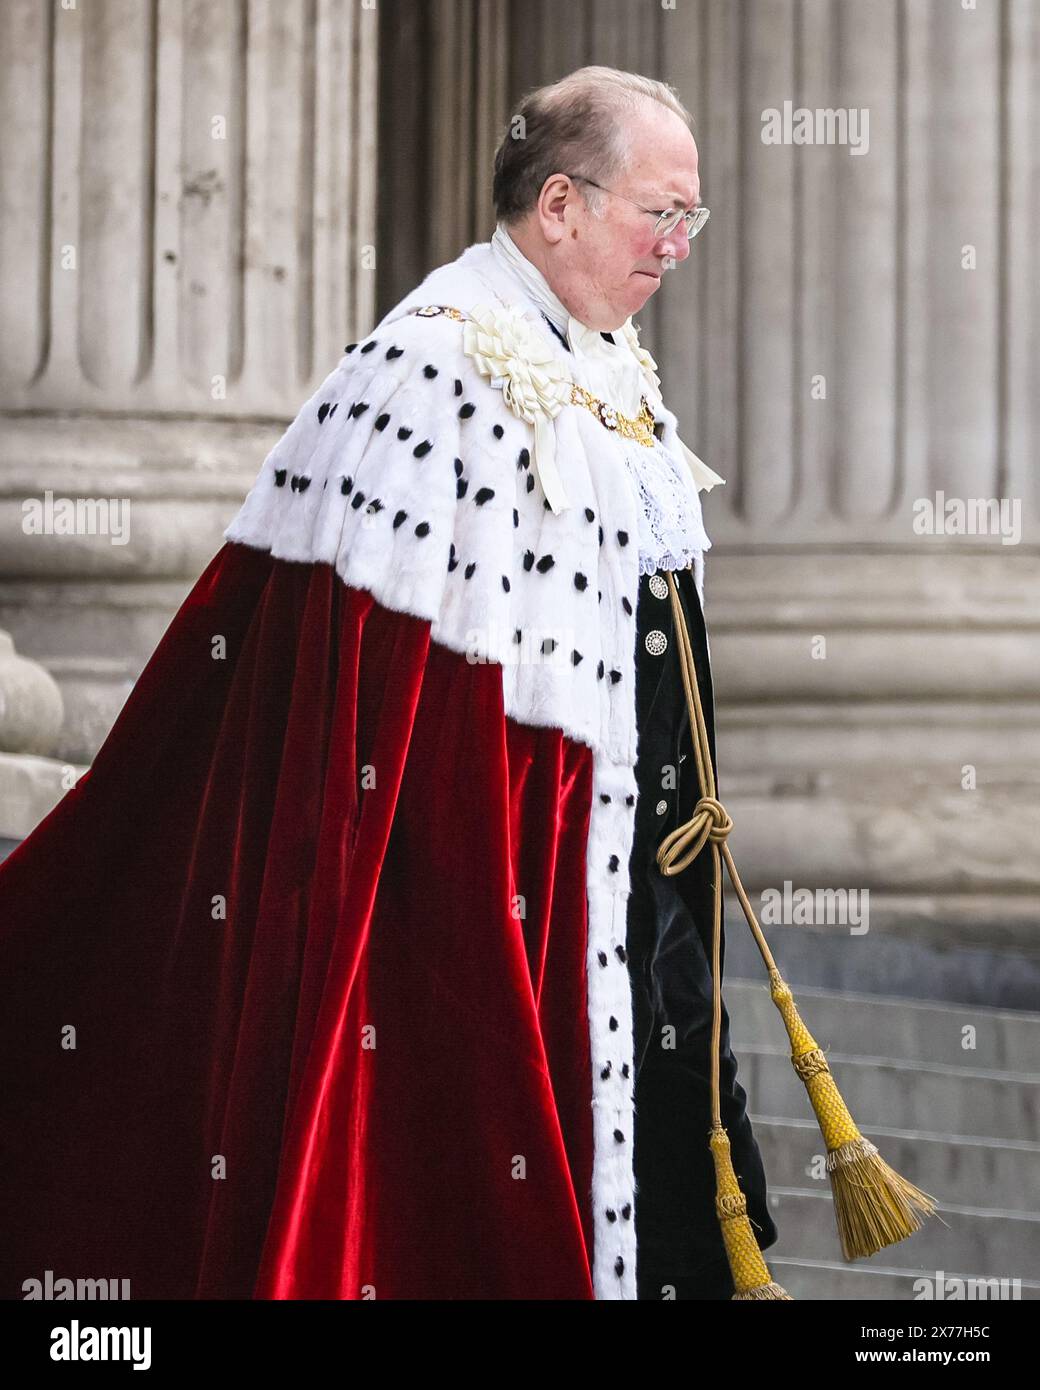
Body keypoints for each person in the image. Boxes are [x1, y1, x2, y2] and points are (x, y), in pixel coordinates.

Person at [0, 64, 776, 1301]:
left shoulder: (612, 369)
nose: (679, 247)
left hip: (639, 901)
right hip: (502, 901)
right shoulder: (433, 359)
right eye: (661, 214)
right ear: (561, 205)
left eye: (693, 219)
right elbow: (365, 697)